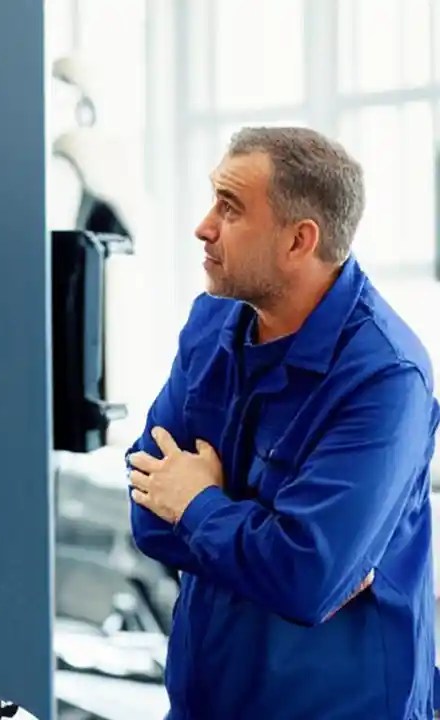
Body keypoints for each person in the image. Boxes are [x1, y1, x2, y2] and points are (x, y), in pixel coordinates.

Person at [126, 126, 438, 718]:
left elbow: (304, 579)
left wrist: (197, 505)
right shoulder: (212, 323)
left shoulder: (386, 378)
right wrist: (261, 539)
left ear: (299, 240)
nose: (204, 226)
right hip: (205, 698)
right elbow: (148, 511)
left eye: (230, 207)